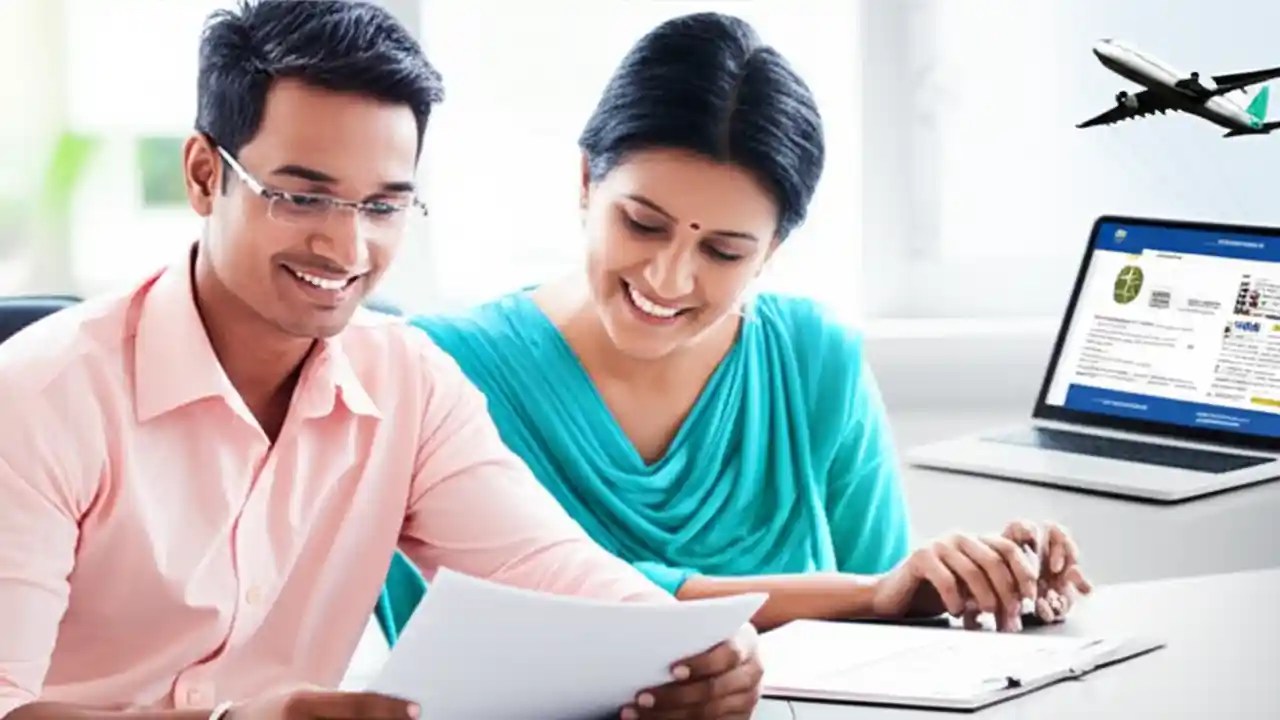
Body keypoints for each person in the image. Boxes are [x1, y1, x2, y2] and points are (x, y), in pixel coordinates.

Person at [0, 3, 761, 719]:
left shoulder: (410, 385)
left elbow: (549, 567)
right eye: (301, 197)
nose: (348, 247)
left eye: (384, 205)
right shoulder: (43, 396)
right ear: (204, 174)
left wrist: (694, 646)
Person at [392, 11, 1094, 637]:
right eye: (640, 223)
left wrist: (981, 584)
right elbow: (471, 625)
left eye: (723, 251)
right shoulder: (439, 370)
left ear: (774, 251)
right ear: (585, 183)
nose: (669, 278)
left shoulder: (815, 360)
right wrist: (875, 596)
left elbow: (896, 625)